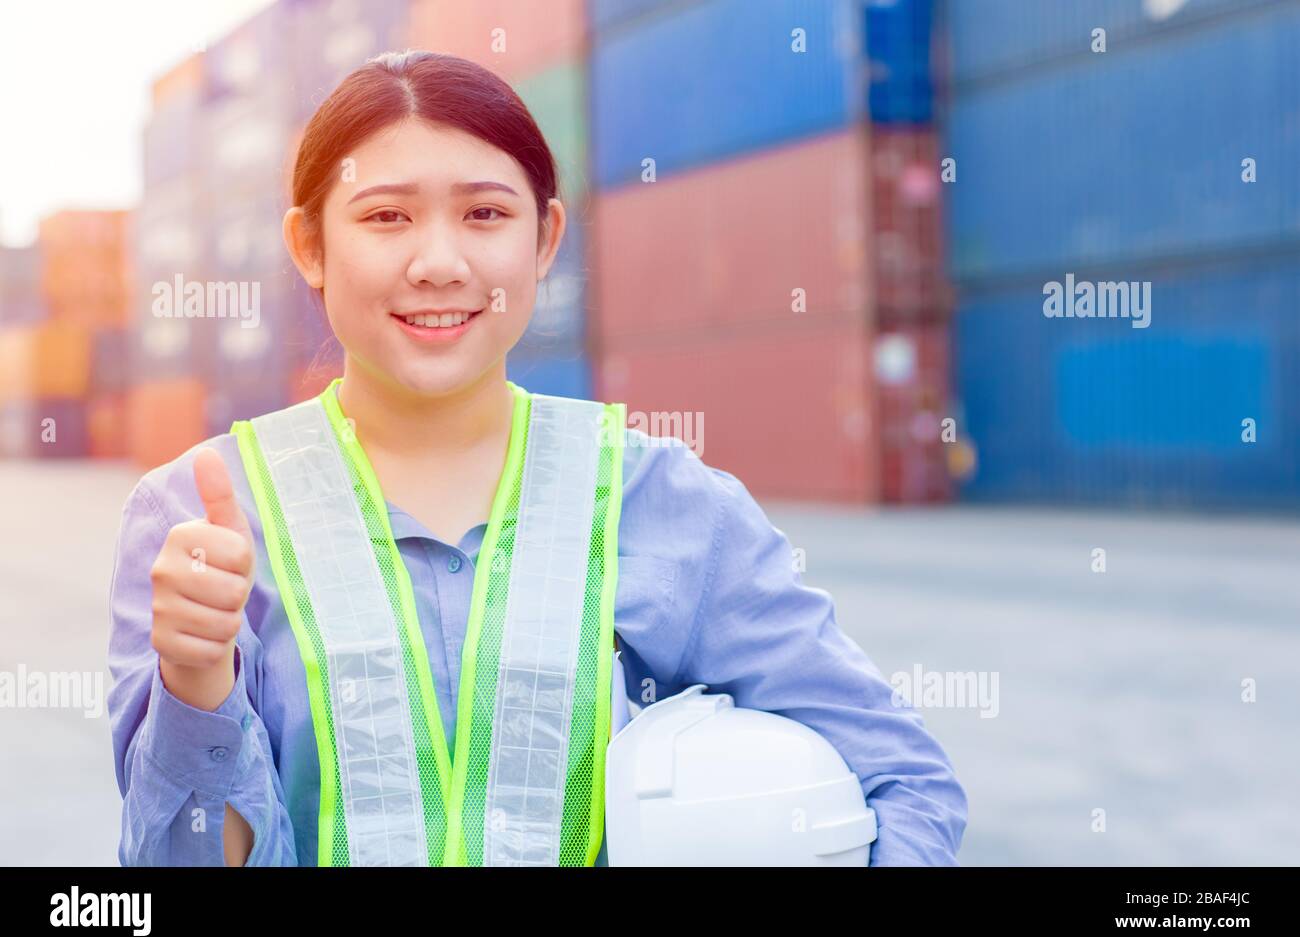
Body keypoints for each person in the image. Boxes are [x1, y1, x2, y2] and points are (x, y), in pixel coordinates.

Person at [107, 50, 967, 866]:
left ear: (545, 238)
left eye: (485, 214)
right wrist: (195, 681)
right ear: (309, 246)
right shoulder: (195, 518)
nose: (439, 263)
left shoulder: (665, 501)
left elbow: (906, 781)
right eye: (385, 217)